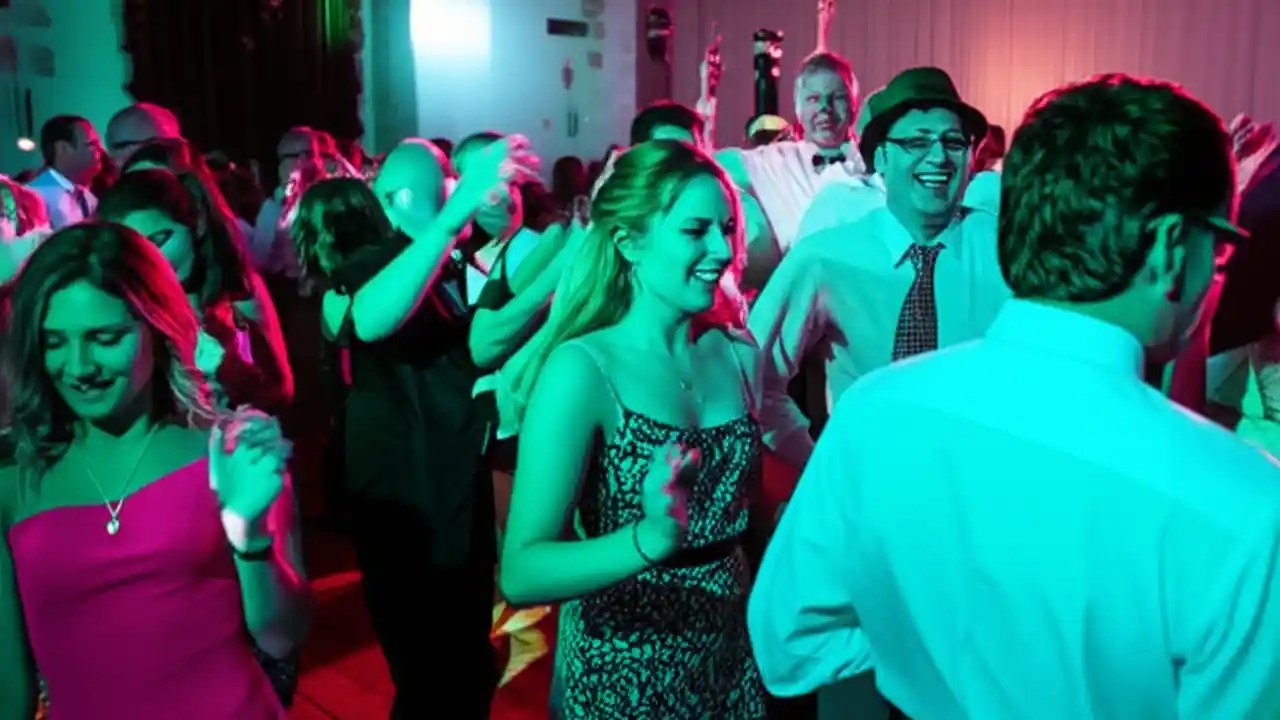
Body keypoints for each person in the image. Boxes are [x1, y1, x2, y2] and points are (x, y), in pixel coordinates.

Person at [750, 73, 1280, 719]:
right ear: (1173, 247)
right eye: (1218, 252)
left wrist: (937, 658)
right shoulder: (1246, 507)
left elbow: (788, 643)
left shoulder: (873, 415)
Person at [500, 140, 766, 719]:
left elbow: (754, 518)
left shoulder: (738, 353)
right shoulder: (583, 369)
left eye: (726, 228)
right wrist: (648, 539)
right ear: (629, 243)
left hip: (729, 663)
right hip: (622, 672)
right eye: (695, 230)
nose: (721, 249)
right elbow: (521, 573)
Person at [0, 222, 307, 719]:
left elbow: (281, 637)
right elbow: (8, 692)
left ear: (158, 328)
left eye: (105, 337)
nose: (79, 367)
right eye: (55, 341)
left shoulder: (225, 452)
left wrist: (250, 537)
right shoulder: (14, 479)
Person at [296, 137, 534, 718]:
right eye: (448, 182)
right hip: (406, 501)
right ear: (407, 197)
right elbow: (372, 320)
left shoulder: (440, 258)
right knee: (429, 675)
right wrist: (456, 218)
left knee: (463, 669)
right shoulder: (370, 267)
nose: (459, 191)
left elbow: (482, 338)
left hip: (451, 486)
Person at [97, 168, 294, 414]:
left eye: (158, 241)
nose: (151, 261)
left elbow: (279, 391)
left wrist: (231, 371)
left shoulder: (238, 294)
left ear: (197, 223)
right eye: (134, 250)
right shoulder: (118, 306)